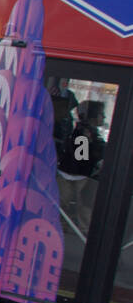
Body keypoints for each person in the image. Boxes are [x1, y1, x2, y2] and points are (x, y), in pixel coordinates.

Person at [57, 99, 106, 233]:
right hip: (74, 174)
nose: (104, 117)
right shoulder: (82, 133)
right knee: (70, 204)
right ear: (93, 116)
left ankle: (80, 230)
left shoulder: (91, 133)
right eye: (101, 114)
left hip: (75, 174)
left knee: (77, 206)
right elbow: (81, 158)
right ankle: (78, 230)